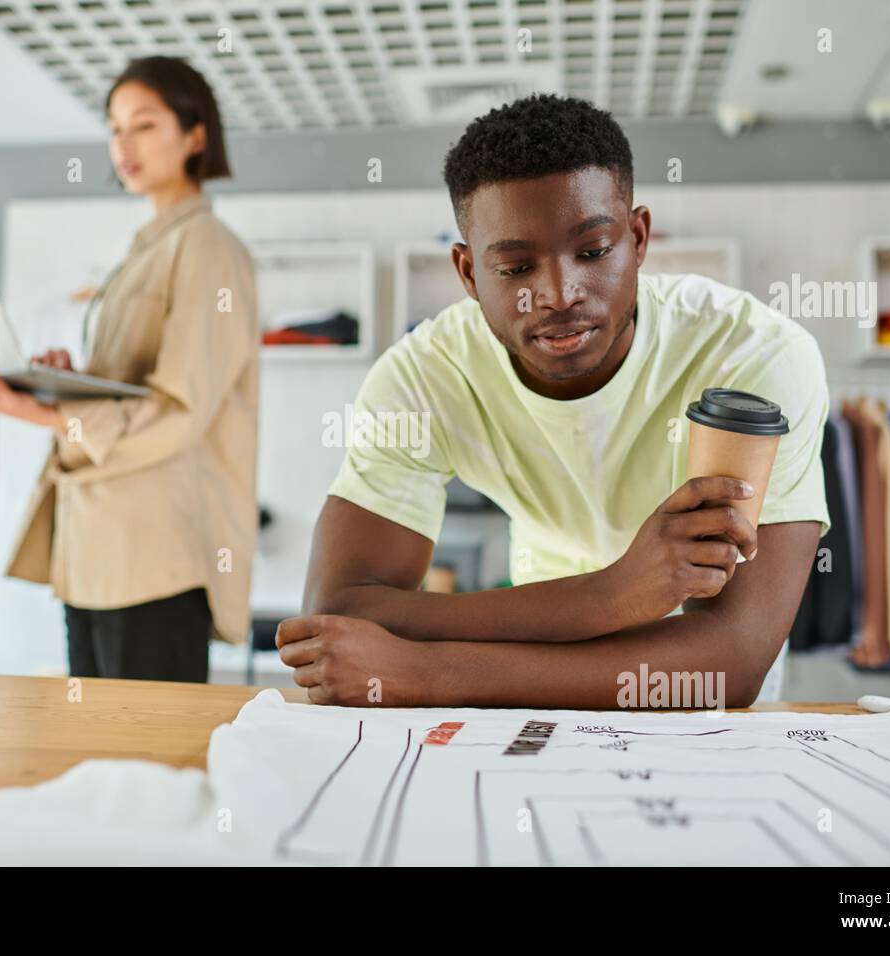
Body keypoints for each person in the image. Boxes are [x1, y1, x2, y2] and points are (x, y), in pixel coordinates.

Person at [276, 94, 830, 709]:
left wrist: (430, 673)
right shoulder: (423, 377)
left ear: (638, 238)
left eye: (593, 253)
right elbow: (338, 611)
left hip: (674, 686)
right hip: (532, 658)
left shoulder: (754, 356)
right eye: (515, 268)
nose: (560, 294)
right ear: (467, 274)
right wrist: (609, 596)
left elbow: (728, 660)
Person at [0, 57, 258, 682]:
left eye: (143, 125)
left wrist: (36, 409)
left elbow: (178, 409)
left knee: (148, 765)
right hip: (92, 549)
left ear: (196, 136)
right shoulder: (148, 248)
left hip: (152, 555)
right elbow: (132, 386)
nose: (123, 145)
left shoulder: (209, 249)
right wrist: (68, 379)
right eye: (114, 128)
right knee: (98, 761)